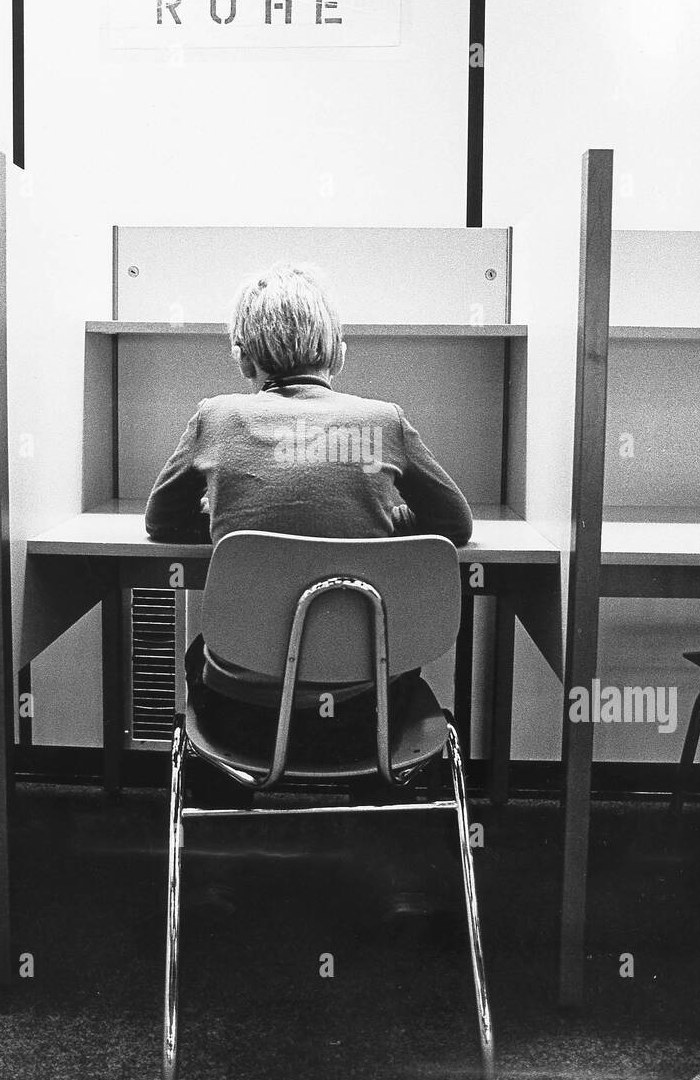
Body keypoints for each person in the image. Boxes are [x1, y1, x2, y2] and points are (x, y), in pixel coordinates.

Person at [145, 262, 472, 798]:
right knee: (387, 663)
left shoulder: (215, 417)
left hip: (242, 720)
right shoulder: (383, 421)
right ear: (338, 353)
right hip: (368, 721)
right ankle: (385, 835)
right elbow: (454, 524)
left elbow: (160, 520)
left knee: (201, 653)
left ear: (243, 358)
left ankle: (220, 840)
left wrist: (228, 516)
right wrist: (385, 519)